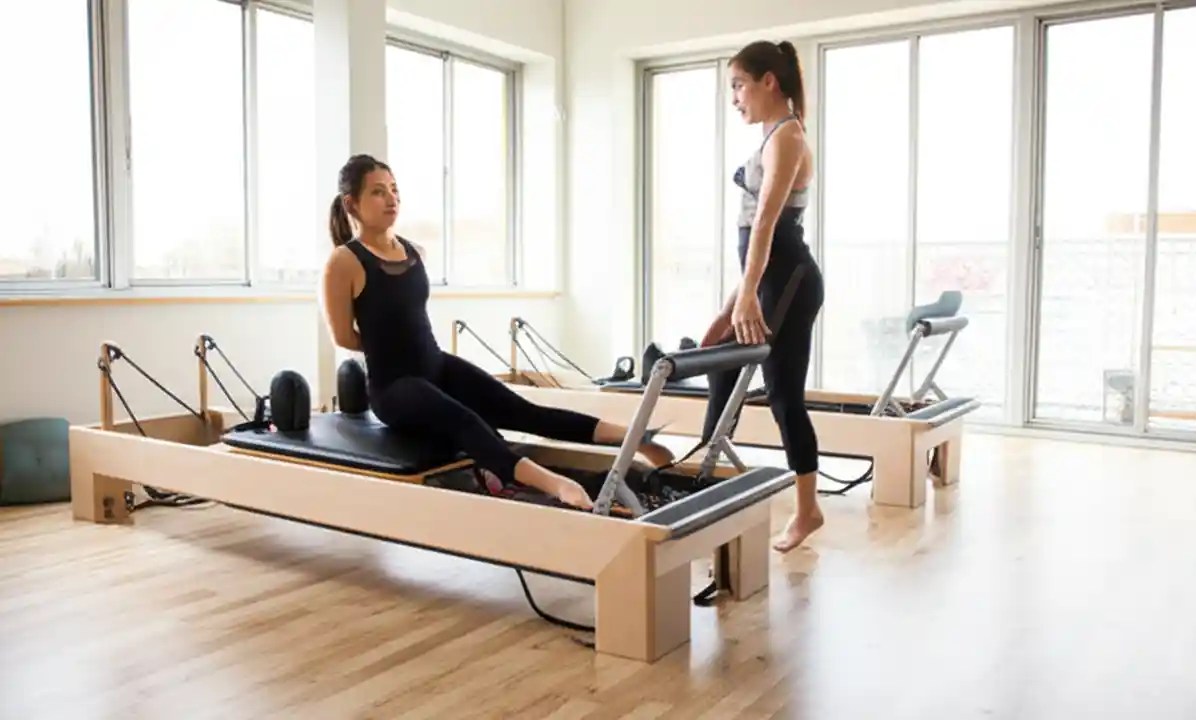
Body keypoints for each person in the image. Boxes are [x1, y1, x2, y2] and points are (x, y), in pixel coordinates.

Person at [320, 154, 674, 511]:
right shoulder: (344, 261)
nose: (392, 199)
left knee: (523, 411)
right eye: (379, 192)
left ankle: (635, 437)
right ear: (352, 204)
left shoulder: (414, 251)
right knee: (467, 422)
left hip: (436, 366)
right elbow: (343, 337)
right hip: (394, 387)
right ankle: (557, 485)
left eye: (394, 189)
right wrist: (388, 346)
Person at [700, 40, 826, 553]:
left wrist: (748, 296)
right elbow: (757, 235)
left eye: (738, 85)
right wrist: (733, 302)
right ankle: (704, 473)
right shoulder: (774, 135)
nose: (734, 98)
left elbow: (768, 226)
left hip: (787, 281)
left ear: (768, 81)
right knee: (713, 354)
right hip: (770, 278)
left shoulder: (787, 136)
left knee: (783, 396)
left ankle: (807, 510)